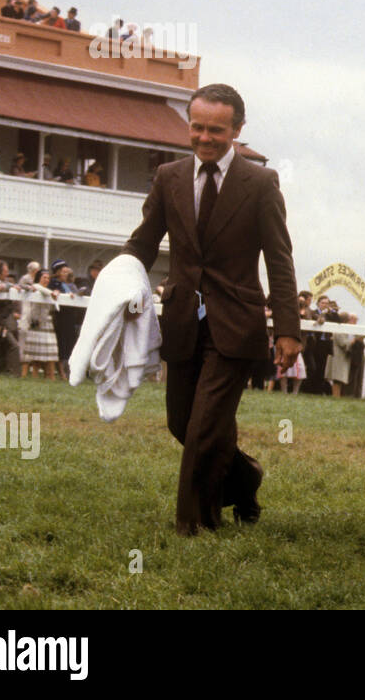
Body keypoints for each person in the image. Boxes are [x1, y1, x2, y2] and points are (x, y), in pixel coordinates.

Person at [123, 82, 302, 536]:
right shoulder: (169, 177)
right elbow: (143, 243)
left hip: (235, 324)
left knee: (205, 426)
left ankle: (194, 523)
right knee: (183, 422)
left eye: (217, 130)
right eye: (198, 127)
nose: (205, 138)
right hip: (183, 320)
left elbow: (279, 259)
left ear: (237, 129)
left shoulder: (261, 183)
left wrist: (288, 330)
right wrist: (117, 282)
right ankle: (245, 478)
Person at [19, 269, 60, 380]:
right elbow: (39, 288)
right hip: (36, 323)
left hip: (47, 323)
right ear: (39, 278)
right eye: (44, 277)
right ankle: (31, 376)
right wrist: (52, 293)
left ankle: (51, 377)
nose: (46, 280)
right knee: (34, 353)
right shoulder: (36, 287)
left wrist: (54, 292)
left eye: (48, 278)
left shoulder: (49, 290)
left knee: (51, 351)